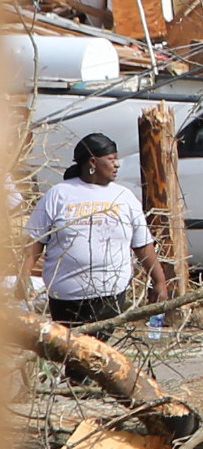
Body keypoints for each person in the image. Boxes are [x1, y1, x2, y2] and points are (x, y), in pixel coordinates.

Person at [27, 133, 169, 327]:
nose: (117, 164)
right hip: (65, 298)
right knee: (70, 343)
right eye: (111, 159)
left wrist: (159, 282)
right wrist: (22, 280)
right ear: (93, 162)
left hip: (111, 296)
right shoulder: (58, 194)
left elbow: (142, 245)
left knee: (99, 344)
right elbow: (35, 242)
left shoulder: (124, 197)